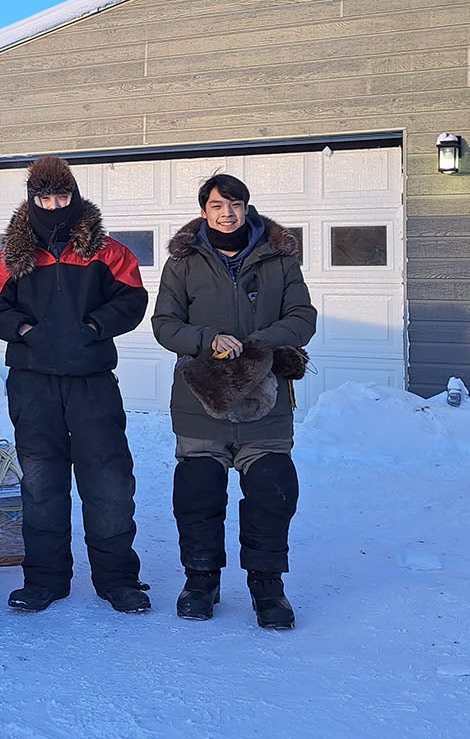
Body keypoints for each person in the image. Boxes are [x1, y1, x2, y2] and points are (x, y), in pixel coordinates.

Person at [0, 156, 151, 614]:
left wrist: (93, 326)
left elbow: (133, 298)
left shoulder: (105, 251)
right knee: (41, 483)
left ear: (74, 196)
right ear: (32, 200)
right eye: (44, 197)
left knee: (109, 480)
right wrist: (24, 331)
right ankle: (45, 579)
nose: (54, 205)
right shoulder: (14, 256)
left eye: (62, 196)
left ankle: (117, 579)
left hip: (92, 384)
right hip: (33, 386)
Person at [150, 173, 316, 629]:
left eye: (235, 204)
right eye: (218, 206)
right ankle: (201, 580)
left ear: (247, 207)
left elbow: (303, 317)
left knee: (272, 493)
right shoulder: (183, 264)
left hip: (265, 399)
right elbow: (164, 324)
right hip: (201, 397)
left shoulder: (279, 259)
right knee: (197, 493)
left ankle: (268, 586)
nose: (228, 213)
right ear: (204, 211)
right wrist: (207, 339)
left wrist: (257, 345)